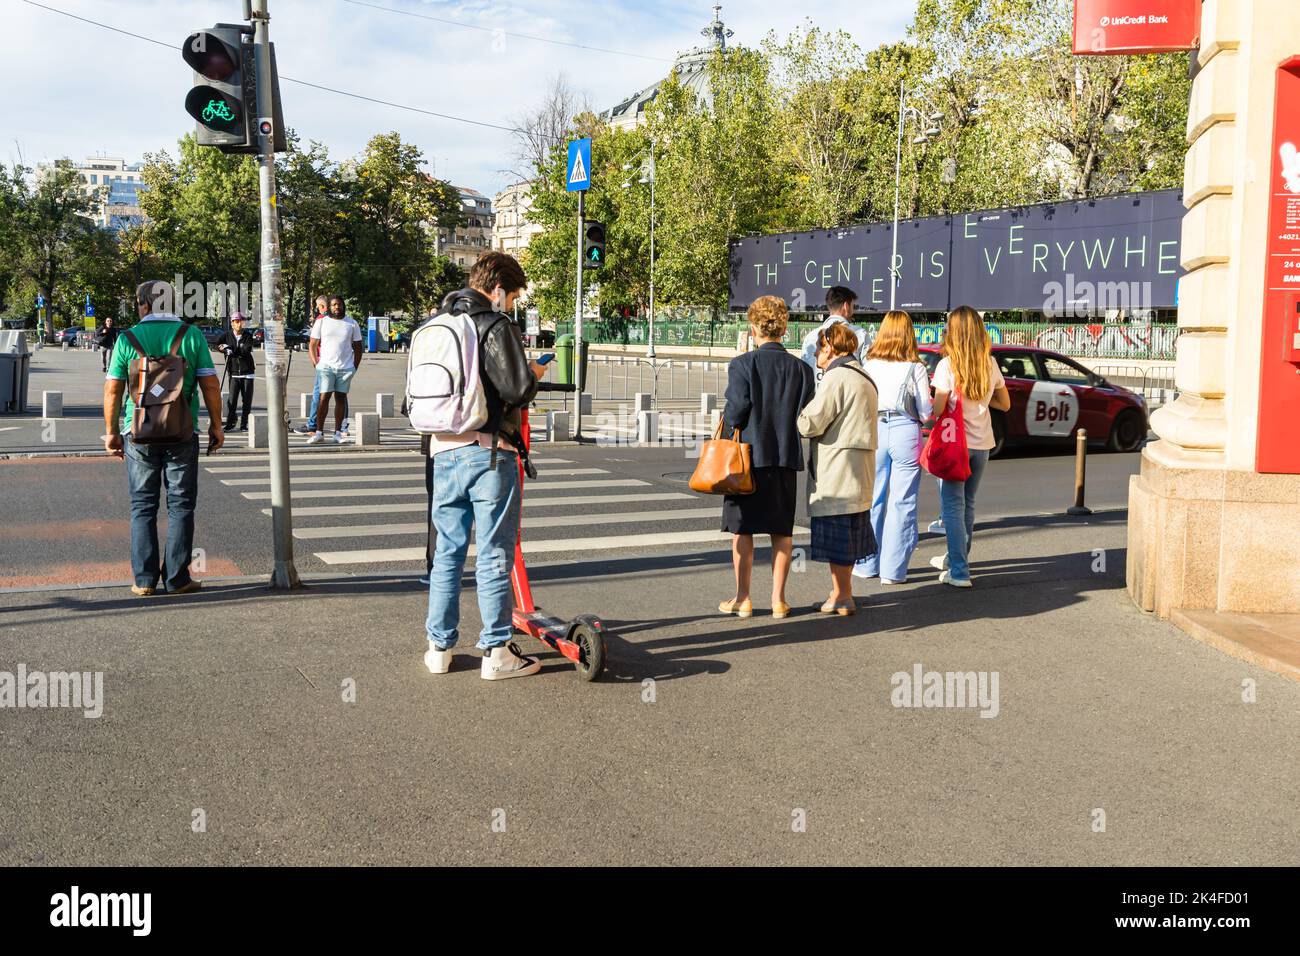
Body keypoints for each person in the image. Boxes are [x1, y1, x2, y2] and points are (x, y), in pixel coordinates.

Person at [424, 252, 547, 681]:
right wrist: (532, 371)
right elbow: (516, 387)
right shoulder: (495, 325)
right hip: (490, 450)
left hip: (441, 449)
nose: (511, 305)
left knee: (448, 552)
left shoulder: (436, 324)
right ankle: (497, 652)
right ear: (497, 290)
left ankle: (439, 647)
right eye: (511, 296)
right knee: (494, 552)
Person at [103, 280, 225, 596]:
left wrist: (113, 433)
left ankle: (144, 581)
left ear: (143, 304)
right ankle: (177, 579)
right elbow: (210, 385)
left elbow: (113, 389)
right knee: (181, 504)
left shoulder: (127, 338)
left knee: (143, 505)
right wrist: (216, 425)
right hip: (182, 431)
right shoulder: (191, 335)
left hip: (138, 432)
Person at [719, 295, 815, 619]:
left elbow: (734, 414)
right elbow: (806, 414)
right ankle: (778, 600)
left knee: (742, 530)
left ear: (754, 327)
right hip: (785, 458)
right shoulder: (802, 370)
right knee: (782, 532)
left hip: (746, 460)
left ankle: (742, 598)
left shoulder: (742, 364)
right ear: (783, 328)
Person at [797, 322, 879, 615]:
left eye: (820, 346)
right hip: (859, 467)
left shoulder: (836, 377)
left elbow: (812, 422)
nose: (817, 352)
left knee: (837, 534)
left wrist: (800, 415)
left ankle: (843, 594)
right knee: (850, 532)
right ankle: (841, 591)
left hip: (838, 467)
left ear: (830, 347)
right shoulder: (864, 375)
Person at [929, 305, 1011, 587]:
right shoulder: (989, 364)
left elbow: (939, 408)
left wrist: (938, 403)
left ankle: (960, 572)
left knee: (952, 506)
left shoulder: (947, 366)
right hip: (982, 445)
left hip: (956, 447)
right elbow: (1006, 403)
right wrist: (983, 403)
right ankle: (956, 560)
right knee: (968, 504)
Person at [856, 310, 933, 584]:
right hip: (905, 431)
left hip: (874, 428)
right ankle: (893, 571)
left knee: (872, 497)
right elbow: (925, 413)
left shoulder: (869, 364)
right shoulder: (916, 368)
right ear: (908, 334)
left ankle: (865, 564)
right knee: (902, 501)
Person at [307, 295, 363, 445]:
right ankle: (319, 432)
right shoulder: (322, 322)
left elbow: (358, 348)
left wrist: (354, 367)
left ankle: (338, 433)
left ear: (343, 306)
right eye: (333, 305)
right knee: (323, 398)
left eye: (339, 304)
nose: (336, 307)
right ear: (329, 307)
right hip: (325, 367)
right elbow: (312, 344)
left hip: (345, 368)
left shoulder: (351, 323)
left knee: (340, 399)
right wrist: (316, 364)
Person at [799, 286, 869, 382]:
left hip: (817, 394)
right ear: (846, 306)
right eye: (853, 306)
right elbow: (868, 370)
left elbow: (804, 374)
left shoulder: (810, 337)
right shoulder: (860, 334)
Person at [295, 296, 328, 435]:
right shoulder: (339, 320)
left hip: (323, 362)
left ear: (322, 306)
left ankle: (312, 425)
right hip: (337, 362)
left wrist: (315, 362)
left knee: (317, 395)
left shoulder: (320, 320)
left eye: (318, 306)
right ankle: (343, 427)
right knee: (340, 396)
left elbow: (313, 343)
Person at [220, 311, 256, 432]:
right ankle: (230, 422)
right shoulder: (227, 335)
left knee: (246, 401)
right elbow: (217, 344)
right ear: (232, 323)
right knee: (232, 400)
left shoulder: (248, 336)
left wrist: (231, 349)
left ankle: (244, 424)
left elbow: (246, 350)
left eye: (241, 321)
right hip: (234, 371)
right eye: (236, 321)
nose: (239, 324)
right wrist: (224, 349)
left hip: (248, 372)